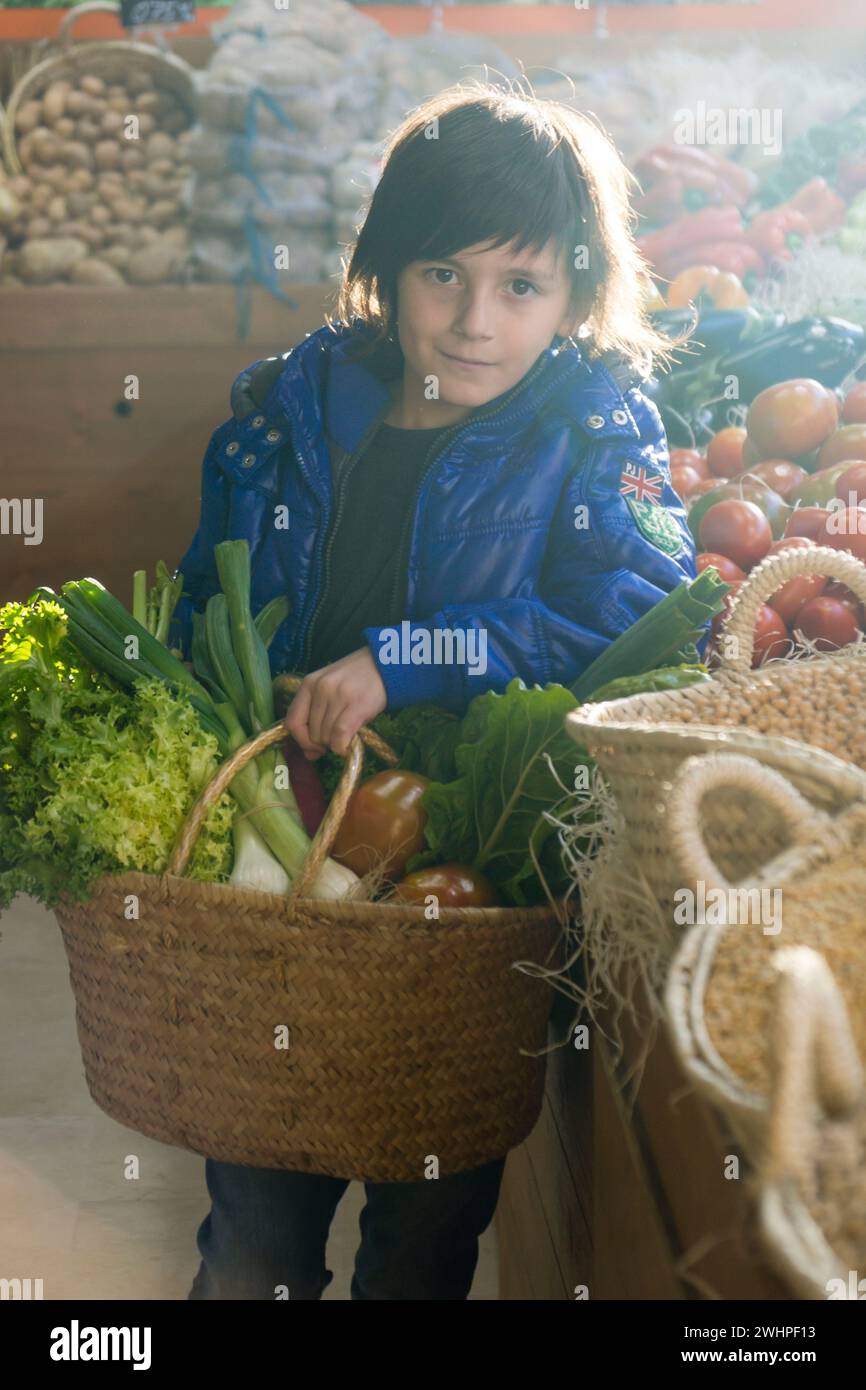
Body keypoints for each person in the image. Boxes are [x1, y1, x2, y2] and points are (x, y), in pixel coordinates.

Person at [170, 80, 697, 1301]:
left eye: (519, 287)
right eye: (440, 275)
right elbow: (207, 597)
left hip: (463, 893)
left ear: (572, 295)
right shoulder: (285, 415)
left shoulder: (590, 428)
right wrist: (230, 672)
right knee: (252, 1211)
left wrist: (408, 658)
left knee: (421, 1227)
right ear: (385, 269)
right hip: (290, 867)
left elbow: (638, 608)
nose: (473, 322)